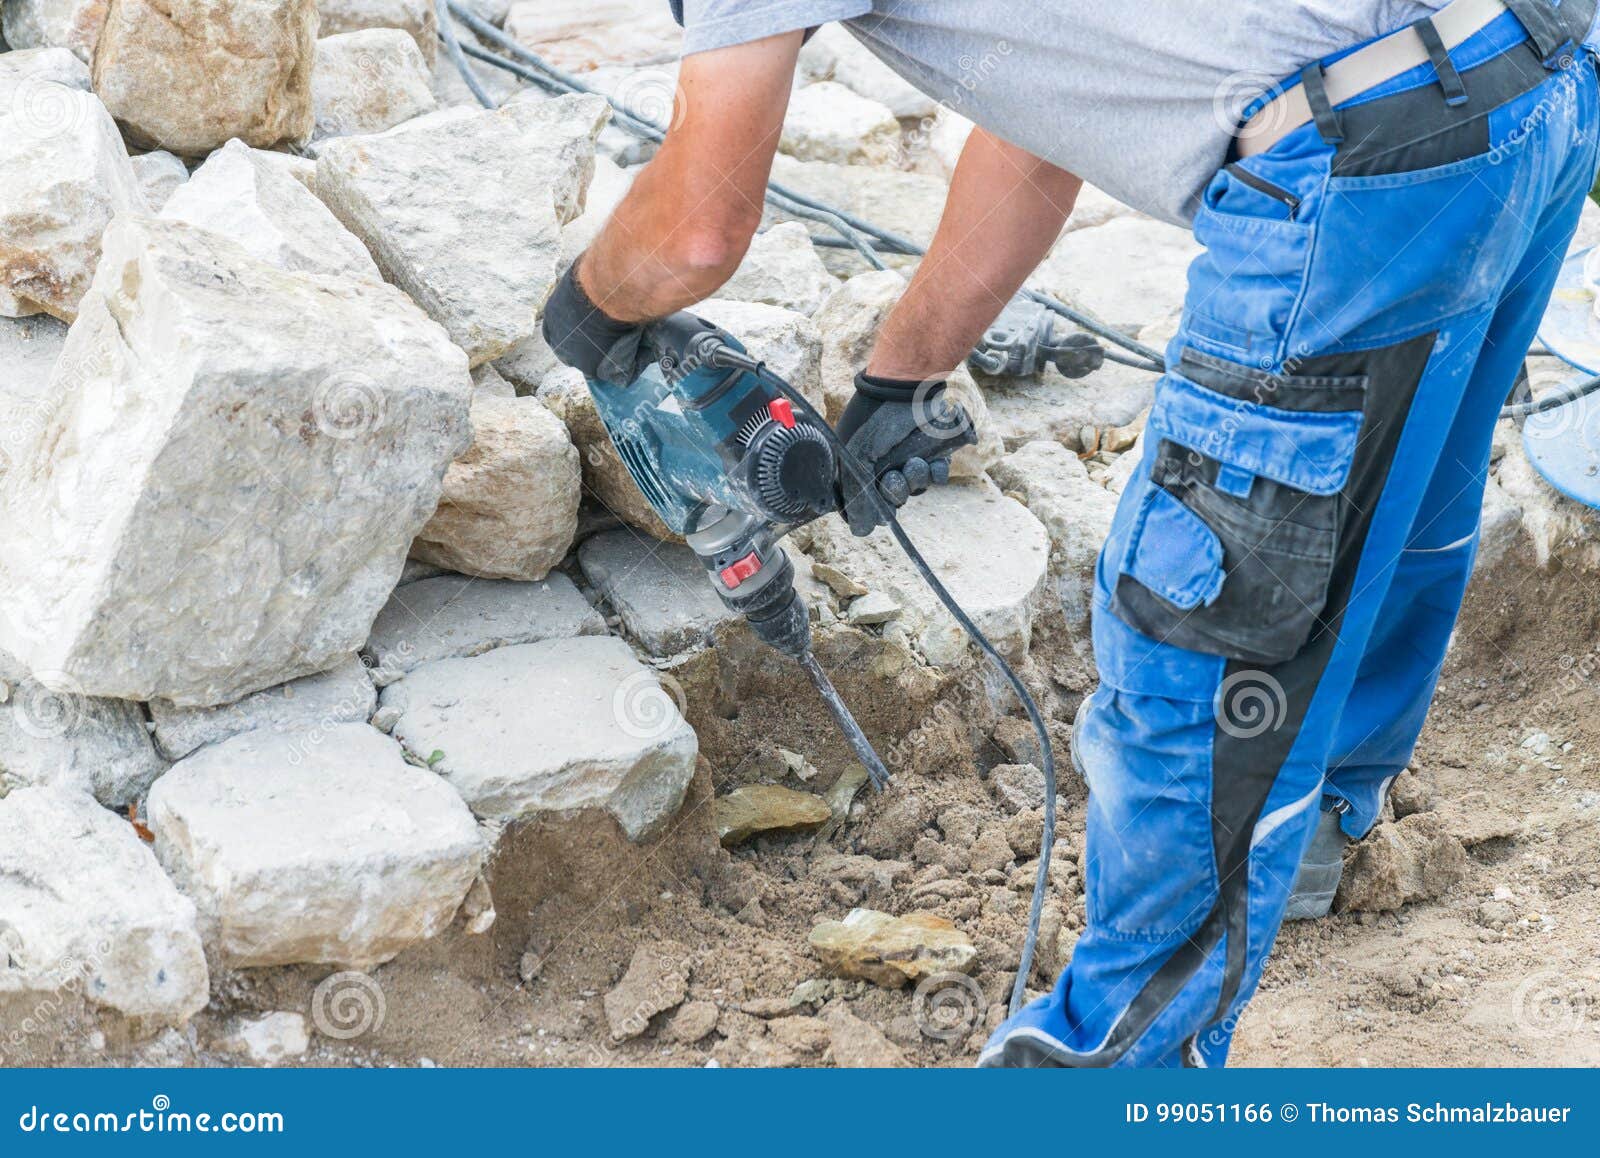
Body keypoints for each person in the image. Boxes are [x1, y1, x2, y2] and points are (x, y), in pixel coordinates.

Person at [541, 0, 1600, 1066]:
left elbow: (693, 230)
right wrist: (902, 372)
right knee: (1405, 496)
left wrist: (588, 310)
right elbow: (1044, 122)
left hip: (1361, 153)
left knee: (1197, 636)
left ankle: (1116, 1076)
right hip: (1528, 68)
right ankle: (1319, 823)